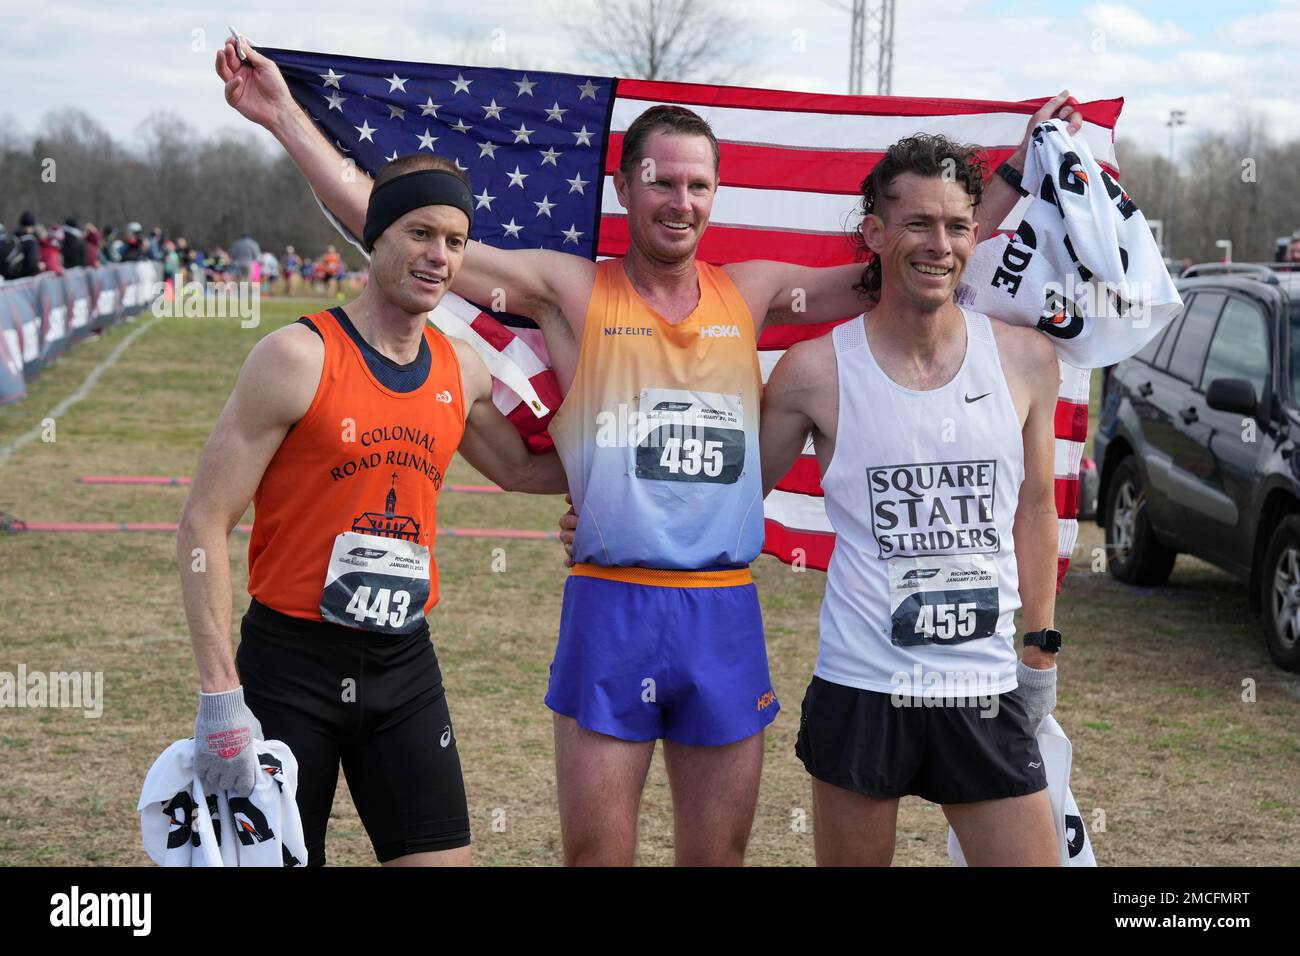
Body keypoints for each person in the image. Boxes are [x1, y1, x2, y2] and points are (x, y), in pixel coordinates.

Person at [217, 34, 1080, 866]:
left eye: (697, 184)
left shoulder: (745, 293)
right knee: (598, 856)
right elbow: (395, 223)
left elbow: (905, 259)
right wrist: (284, 117)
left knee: (718, 856)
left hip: (720, 608)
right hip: (610, 604)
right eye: (661, 180)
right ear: (626, 186)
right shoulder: (569, 289)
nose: (680, 199)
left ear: (715, 193)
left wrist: (1004, 179)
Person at [177, 153, 568, 867]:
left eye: (455, 241)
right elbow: (203, 521)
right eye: (421, 233)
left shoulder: (462, 367)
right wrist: (219, 698)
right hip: (289, 670)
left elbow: (520, 470)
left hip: (404, 663)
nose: (439, 257)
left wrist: (625, 487)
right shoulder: (296, 357)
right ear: (376, 236)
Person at [758, 133, 1062, 866]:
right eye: (918, 224)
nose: (940, 244)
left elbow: (1037, 508)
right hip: (865, 685)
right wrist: (608, 519)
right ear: (874, 233)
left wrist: (1041, 650)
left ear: (977, 235)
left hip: (983, 686)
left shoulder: (1025, 357)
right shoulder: (812, 371)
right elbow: (731, 502)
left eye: (957, 226)